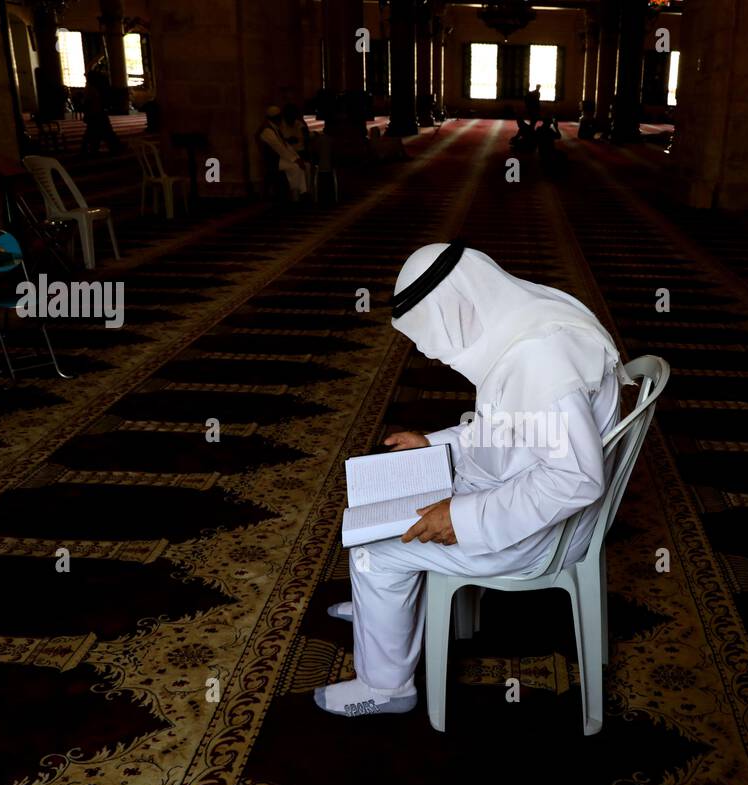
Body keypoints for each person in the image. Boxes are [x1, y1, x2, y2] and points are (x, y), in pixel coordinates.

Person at [315, 242, 631, 718]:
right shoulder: (527, 323)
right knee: (395, 493)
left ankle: (386, 687)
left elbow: (575, 480)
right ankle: (382, 614)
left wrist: (461, 516)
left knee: (373, 549)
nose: (428, 347)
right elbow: (506, 427)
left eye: (430, 328)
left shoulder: (541, 362)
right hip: (519, 496)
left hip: (542, 530)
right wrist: (435, 442)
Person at [257, 105, 308, 202]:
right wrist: (295, 160)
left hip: (279, 158)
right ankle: (296, 194)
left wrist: (297, 158)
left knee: (304, 166)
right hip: (273, 161)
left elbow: (286, 146)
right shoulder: (267, 130)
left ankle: (302, 192)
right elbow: (279, 148)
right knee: (296, 167)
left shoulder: (275, 128)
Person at [80, 66, 122, 155]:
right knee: (103, 131)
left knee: (95, 132)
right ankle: (114, 147)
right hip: (96, 113)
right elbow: (89, 103)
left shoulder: (90, 87)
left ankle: (91, 149)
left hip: (95, 113)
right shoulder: (92, 88)